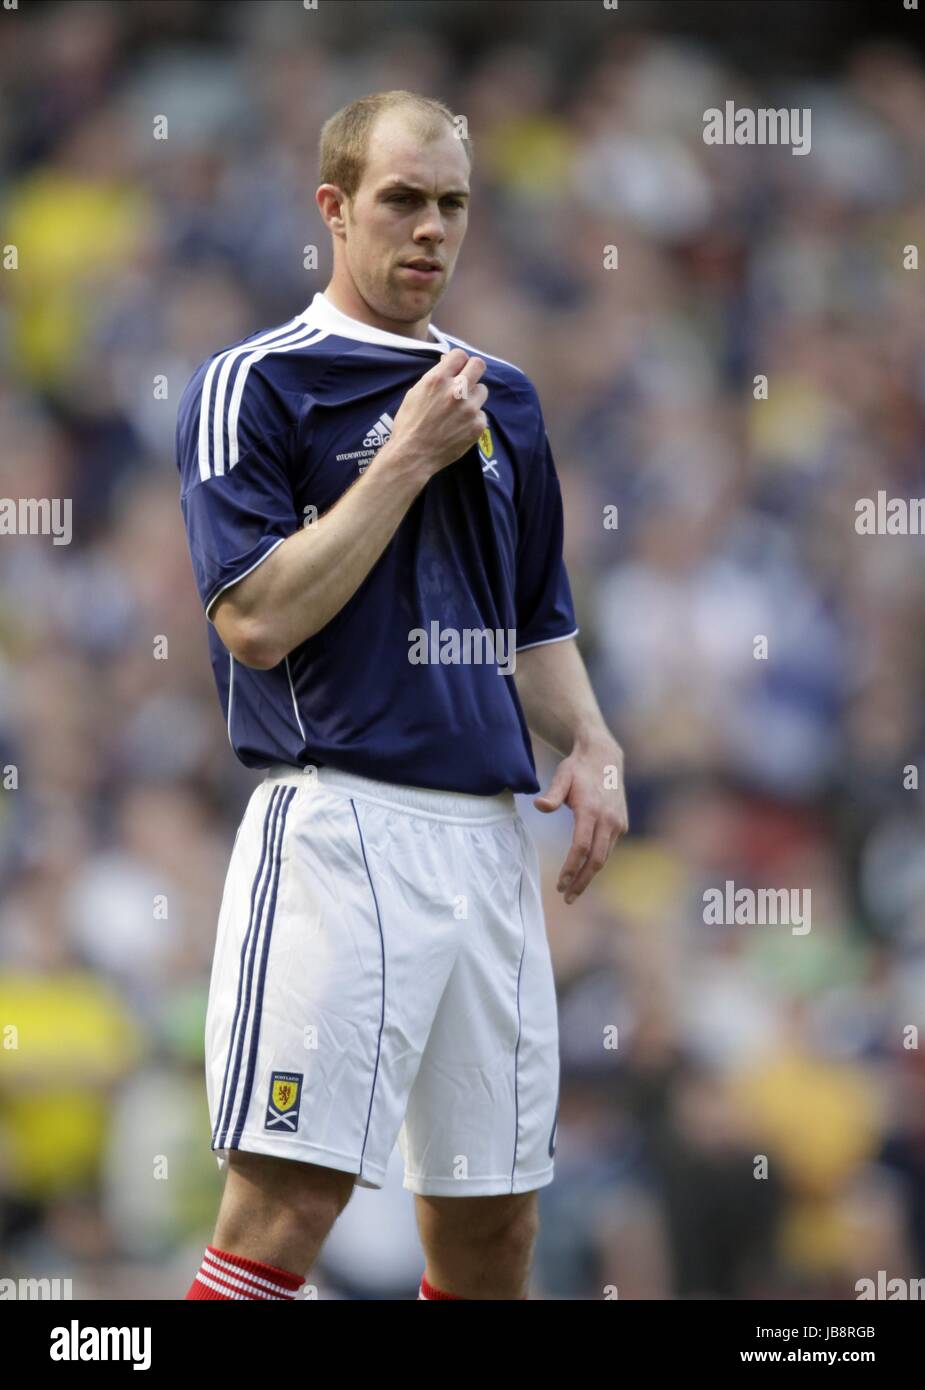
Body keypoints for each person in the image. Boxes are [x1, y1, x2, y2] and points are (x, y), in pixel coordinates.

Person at [175, 89, 628, 1302]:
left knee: (494, 1234)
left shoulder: (506, 400)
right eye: (402, 201)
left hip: (486, 842)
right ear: (333, 208)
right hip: (339, 830)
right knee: (284, 1206)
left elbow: (535, 621)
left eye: (453, 205)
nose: (431, 230)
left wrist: (589, 743)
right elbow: (257, 620)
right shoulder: (254, 385)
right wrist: (403, 459)